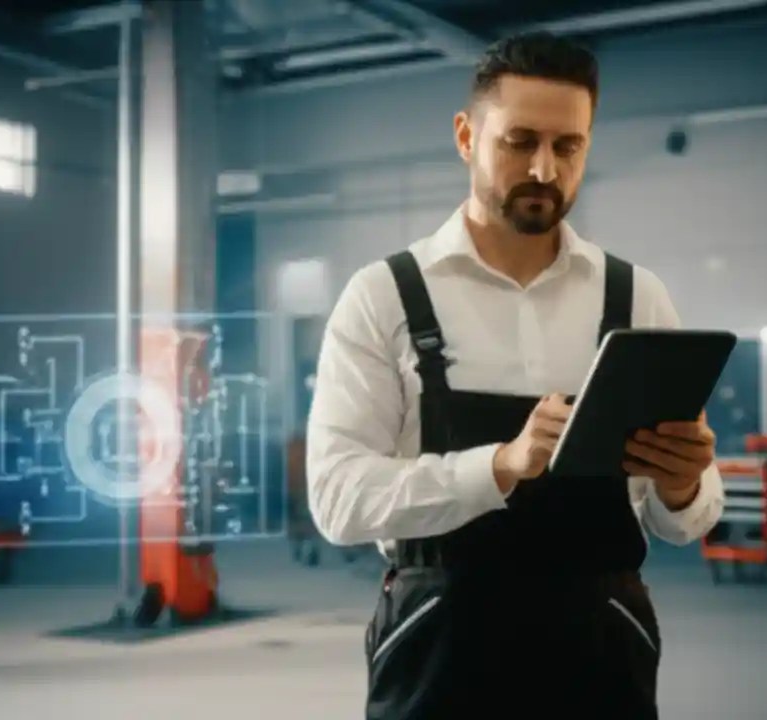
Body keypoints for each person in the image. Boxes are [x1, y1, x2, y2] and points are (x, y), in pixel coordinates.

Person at [305, 31, 725, 719]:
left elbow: (682, 519)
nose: (544, 169)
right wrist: (498, 465)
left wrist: (681, 483)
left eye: (568, 146)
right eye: (519, 141)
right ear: (467, 137)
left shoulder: (636, 298)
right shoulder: (385, 296)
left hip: (601, 650)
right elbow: (337, 498)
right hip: (437, 648)